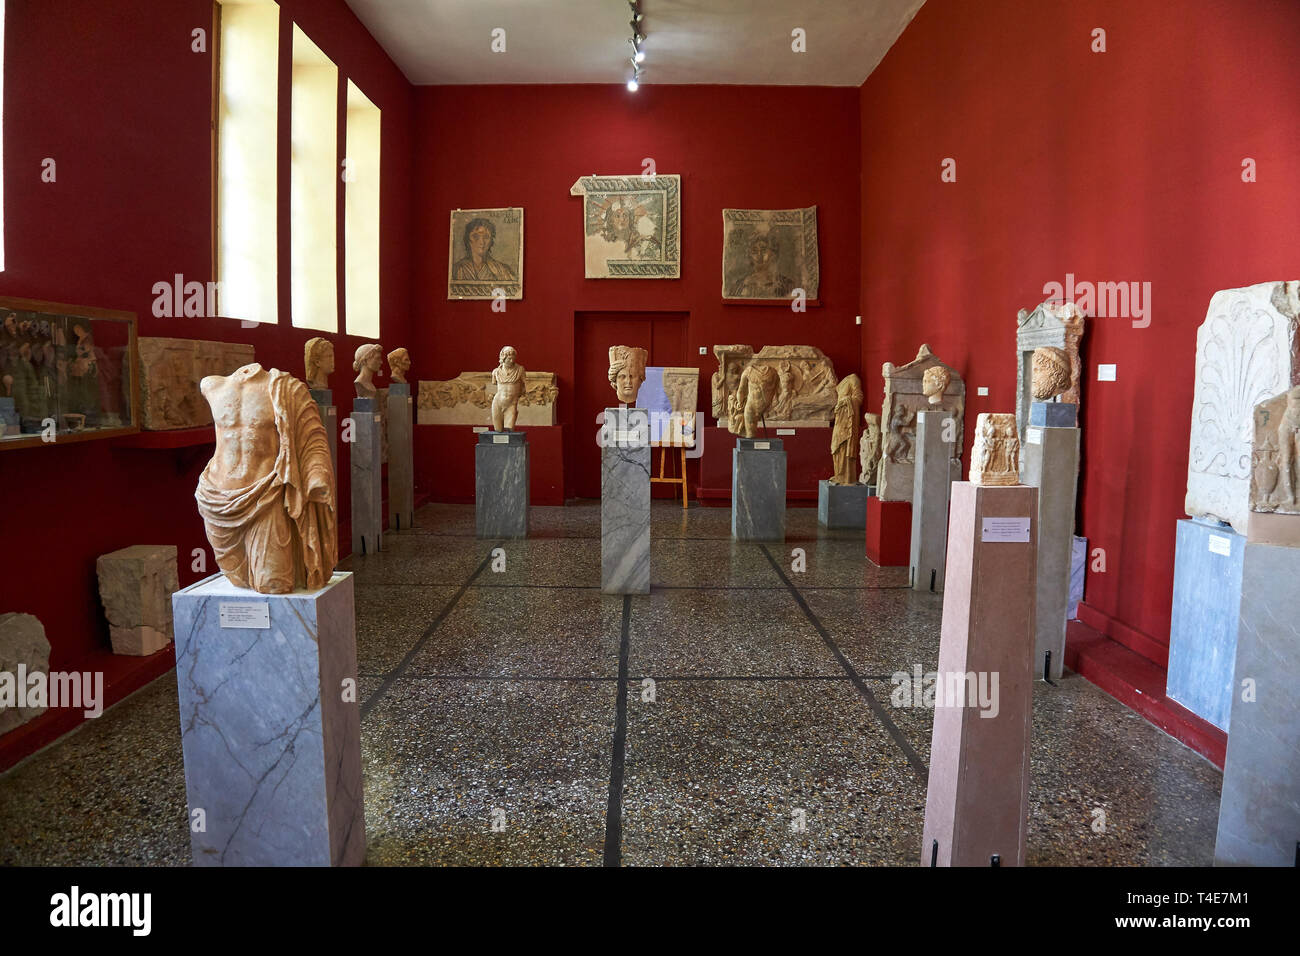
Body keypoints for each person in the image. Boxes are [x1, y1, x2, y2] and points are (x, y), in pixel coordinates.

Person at [452, 218, 516, 282]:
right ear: (468, 239)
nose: (481, 242)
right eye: (475, 236)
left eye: (486, 237)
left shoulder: (502, 270)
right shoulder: (457, 269)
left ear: (491, 241)